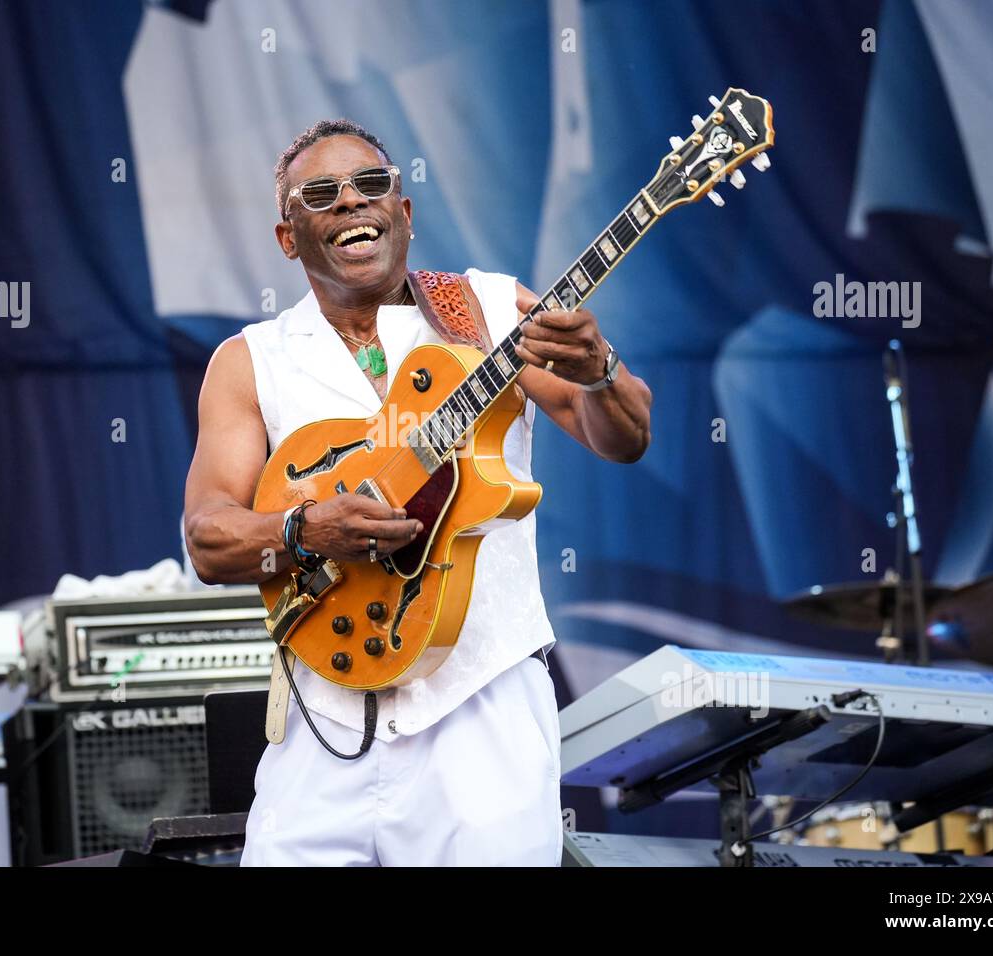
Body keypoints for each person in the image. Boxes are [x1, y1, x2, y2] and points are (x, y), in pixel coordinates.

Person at [184, 119, 651, 865]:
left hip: (482, 708)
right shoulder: (252, 361)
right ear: (287, 237)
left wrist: (599, 369)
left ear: (404, 213)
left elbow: (621, 438)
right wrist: (307, 530)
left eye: (371, 185)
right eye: (320, 195)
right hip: (326, 717)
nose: (349, 203)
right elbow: (209, 536)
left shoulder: (486, 312)